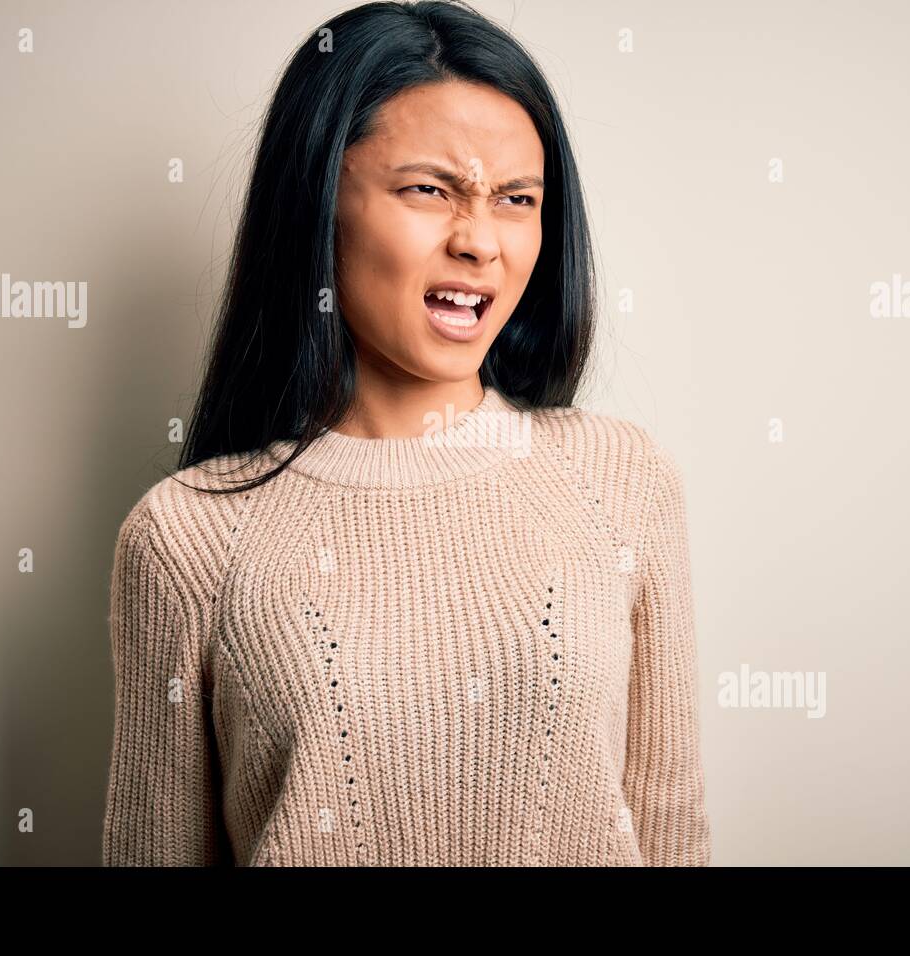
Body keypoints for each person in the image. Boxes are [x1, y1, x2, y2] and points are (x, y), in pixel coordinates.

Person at [102, 0, 711, 867]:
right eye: (429, 190)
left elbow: (671, 831)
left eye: (516, 200)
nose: (480, 242)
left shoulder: (621, 479)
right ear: (317, 201)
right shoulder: (186, 537)